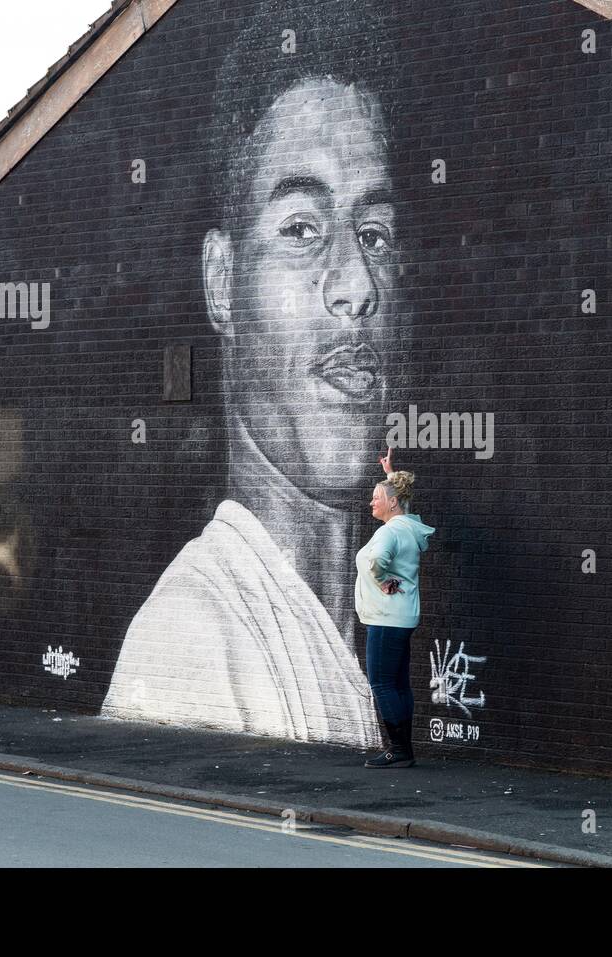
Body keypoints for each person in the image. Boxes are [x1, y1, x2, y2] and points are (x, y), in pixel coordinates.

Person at [102, 1, 404, 749]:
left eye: (374, 232)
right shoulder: (194, 640)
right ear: (222, 281)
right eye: (302, 230)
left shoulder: (351, 624)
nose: (355, 282)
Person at [356, 448, 435, 767]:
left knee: (381, 682)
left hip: (386, 618)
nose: (372, 502)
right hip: (402, 617)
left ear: (391, 502)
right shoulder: (407, 526)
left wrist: (382, 579)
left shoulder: (389, 531)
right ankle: (404, 749)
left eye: (377, 497)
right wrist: (391, 475)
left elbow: (377, 560)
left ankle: (398, 749)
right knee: (398, 683)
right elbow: (401, 502)